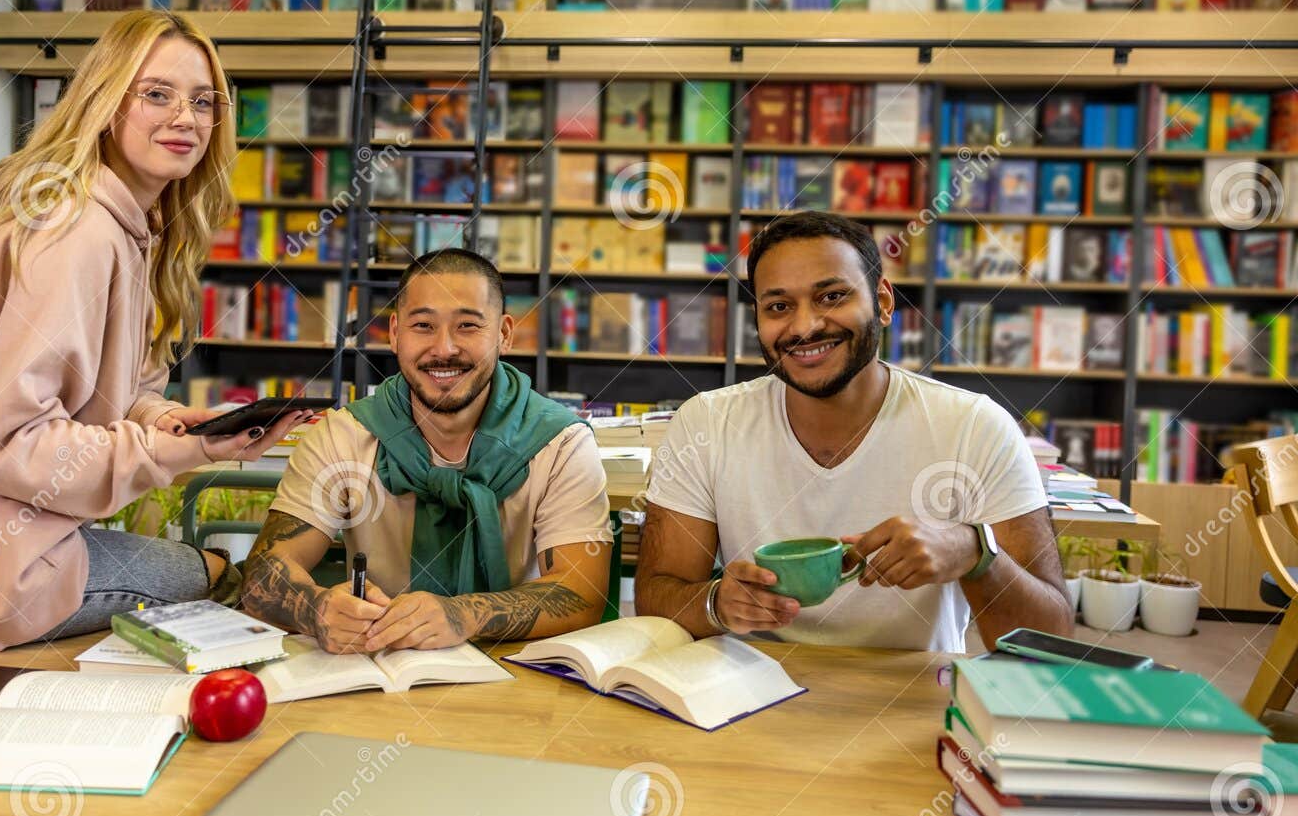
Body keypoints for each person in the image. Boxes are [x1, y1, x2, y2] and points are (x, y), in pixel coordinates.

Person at [0, 11, 311, 676]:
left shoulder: (125, 226)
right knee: (208, 573)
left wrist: (162, 419)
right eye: (157, 94)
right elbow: (9, 442)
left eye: (204, 102)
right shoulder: (82, 233)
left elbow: (104, 394)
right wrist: (187, 450)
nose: (187, 117)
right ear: (107, 103)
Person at [636, 211, 1073, 653]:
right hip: (749, 694)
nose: (805, 327)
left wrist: (976, 554)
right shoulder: (706, 423)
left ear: (883, 303)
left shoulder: (976, 427)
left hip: (913, 699)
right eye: (779, 307)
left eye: (831, 296)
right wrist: (715, 603)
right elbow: (655, 599)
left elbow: (1050, 640)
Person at [240, 249, 613, 653]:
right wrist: (316, 608)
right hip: (373, 667)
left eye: (468, 325)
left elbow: (582, 591)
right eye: (423, 325)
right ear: (395, 333)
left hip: (514, 668)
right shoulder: (342, 434)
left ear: (504, 334)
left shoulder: (561, 442)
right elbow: (262, 575)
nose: (444, 348)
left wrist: (462, 615)